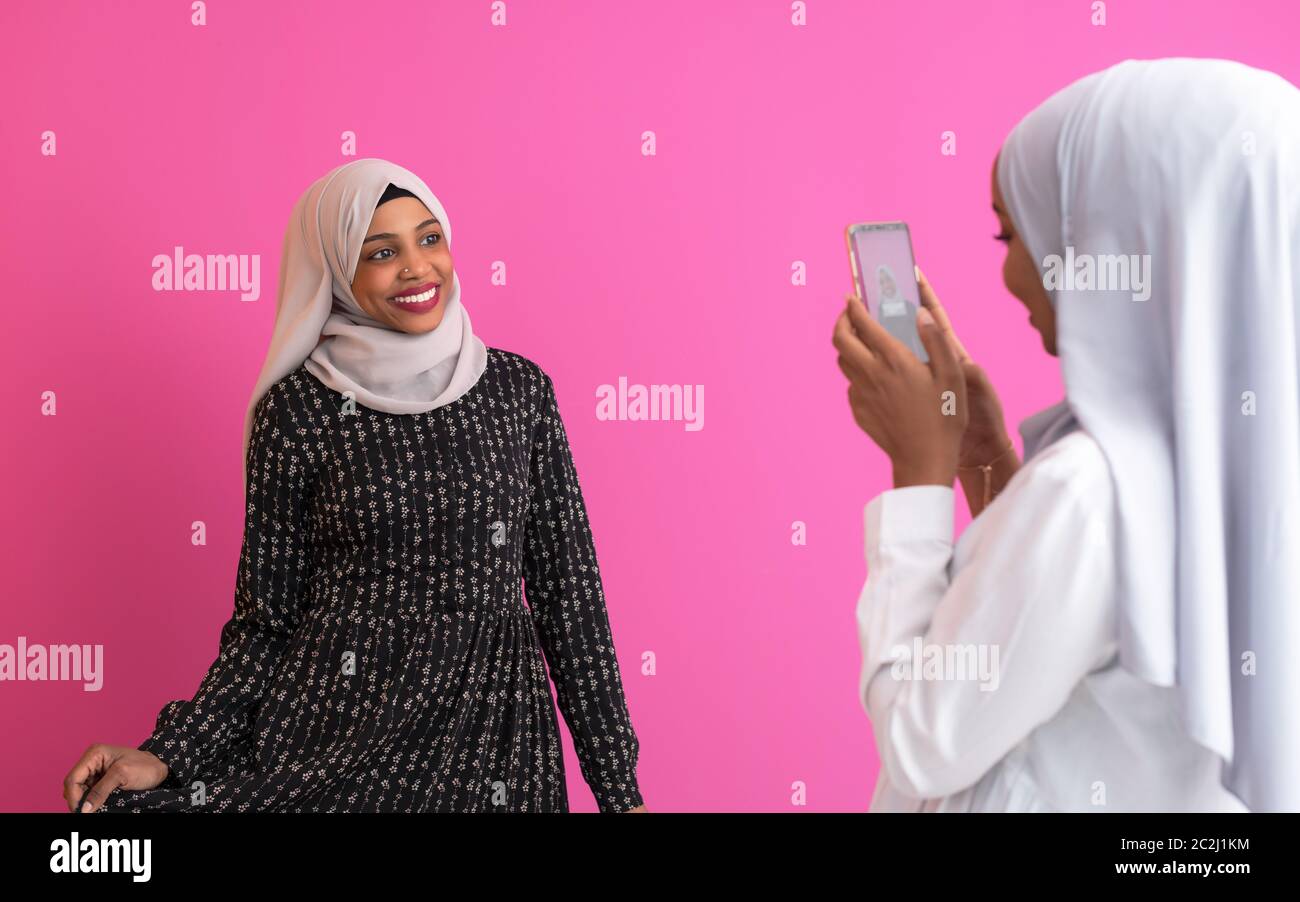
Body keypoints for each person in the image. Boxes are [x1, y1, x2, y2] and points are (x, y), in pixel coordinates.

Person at [64, 159, 648, 813]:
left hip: (494, 739)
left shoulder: (517, 392)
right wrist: (174, 750)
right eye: (381, 252)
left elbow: (570, 601)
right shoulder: (300, 409)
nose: (417, 268)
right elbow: (267, 623)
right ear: (337, 269)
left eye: (430, 239)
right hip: (340, 735)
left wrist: (620, 792)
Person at [833, 58, 1300, 812]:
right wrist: (983, 459)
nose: (1009, 272)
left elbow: (920, 745)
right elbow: (1060, 633)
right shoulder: (1249, 464)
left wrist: (918, 475)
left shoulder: (1088, 488)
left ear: (1123, 235)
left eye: (1010, 231)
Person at [875, 263, 925, 358]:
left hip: (912, 359)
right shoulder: (880, 311)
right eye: (882, 282)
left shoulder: (909, 306)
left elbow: (918, 340)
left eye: (888, 280)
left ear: (894, 281)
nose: (886, 285)